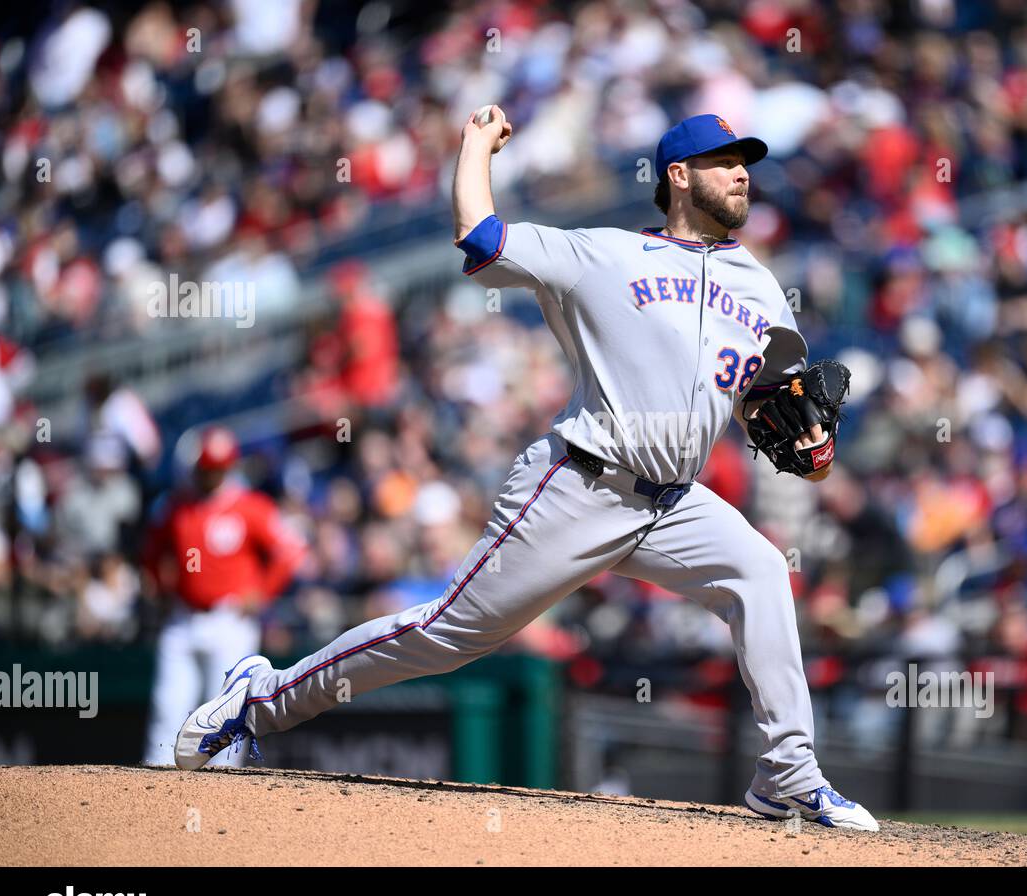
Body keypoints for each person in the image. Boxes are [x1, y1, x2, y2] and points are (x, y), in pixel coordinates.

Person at [174, 110, 880, 831]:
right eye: (725, 159)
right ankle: (259, 699)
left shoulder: (758, 286)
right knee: (446, 634)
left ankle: (786, 774)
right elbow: (480, 238)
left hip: (672, 504)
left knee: (760, 571)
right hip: (580, 484)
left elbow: (770, 410)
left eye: (746, 161)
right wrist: (476, 146)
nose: (741, 173)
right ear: (678, 175)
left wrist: (813, 445)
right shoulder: (598, 254)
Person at [142, 426, 306, 767]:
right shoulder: (177, 507)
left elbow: (290, 551)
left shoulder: (250, 506)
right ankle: (154, 780)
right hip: (183, 618)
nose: (211, 474)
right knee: (168, 704)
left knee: (224, 713)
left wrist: (262, 592)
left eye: (218, 467)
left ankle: (223, 790)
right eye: (206, 467)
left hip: (229, 619)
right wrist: (160, 587)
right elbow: (151, 555)